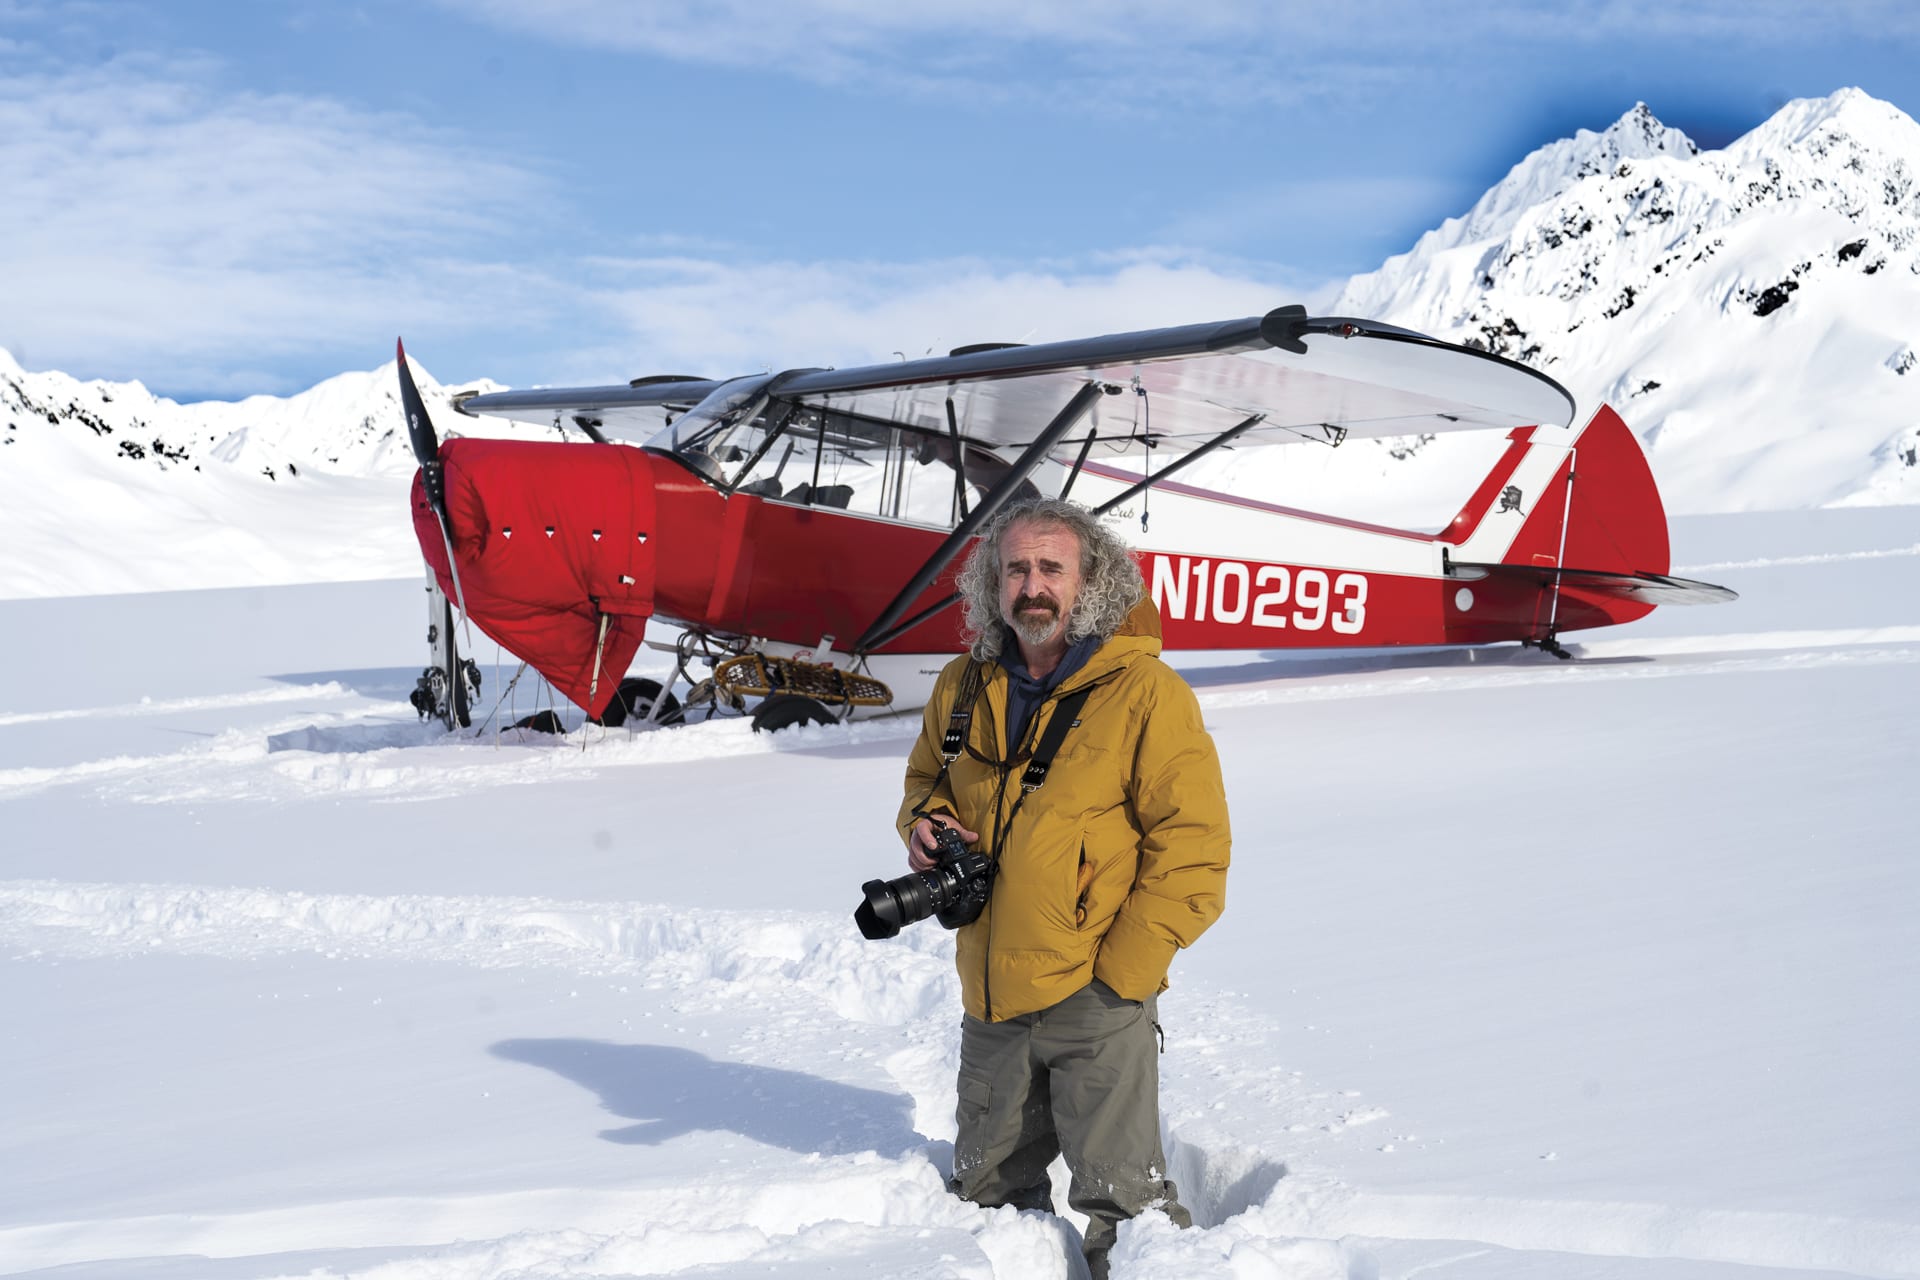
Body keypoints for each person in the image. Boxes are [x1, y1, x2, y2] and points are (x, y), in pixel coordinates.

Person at [896, 496, 1230, 1278]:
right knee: (989, 1206)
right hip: (990, 994)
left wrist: (1123, 977)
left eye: (1052, 568)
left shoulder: (1147, 695)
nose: (1032, 586)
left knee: (1126, 1209)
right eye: (1016, 568)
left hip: (1096, 995)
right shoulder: (963, 685)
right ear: (992, 583)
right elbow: (925, 782)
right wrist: (923, 822)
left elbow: (1194, 850)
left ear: (1094, 583)